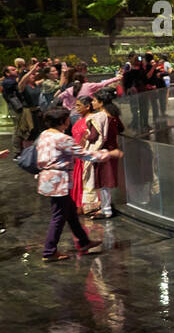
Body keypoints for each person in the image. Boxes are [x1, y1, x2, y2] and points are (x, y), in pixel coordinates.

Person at [34, 105, 122, 260]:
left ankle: (83, 241)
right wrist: (109, 153)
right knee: (59, 216)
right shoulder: (62, 139)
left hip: (48, 179)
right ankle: (49, 251)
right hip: (58, 182)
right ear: (63, 121)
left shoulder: (44, 135)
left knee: (70, 212)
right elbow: (85, 154)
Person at [87, 90, 124, 219]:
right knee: (107, 180)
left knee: (103, 181)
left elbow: (92, 137)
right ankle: (105, 206)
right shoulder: (114, 115)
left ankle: (106, 209)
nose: (92, 103)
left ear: (101, 103)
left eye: (94, 100)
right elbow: (121, 129)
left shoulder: (98, 117)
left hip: (103, 152)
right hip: (113, 150)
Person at [69, 96, 99, 215]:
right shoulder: (79, 119)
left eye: (78, 105)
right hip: (78, 156)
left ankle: (90, 205)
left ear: (87, 107)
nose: (76, 108)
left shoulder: (92, 120)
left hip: (86, 156)